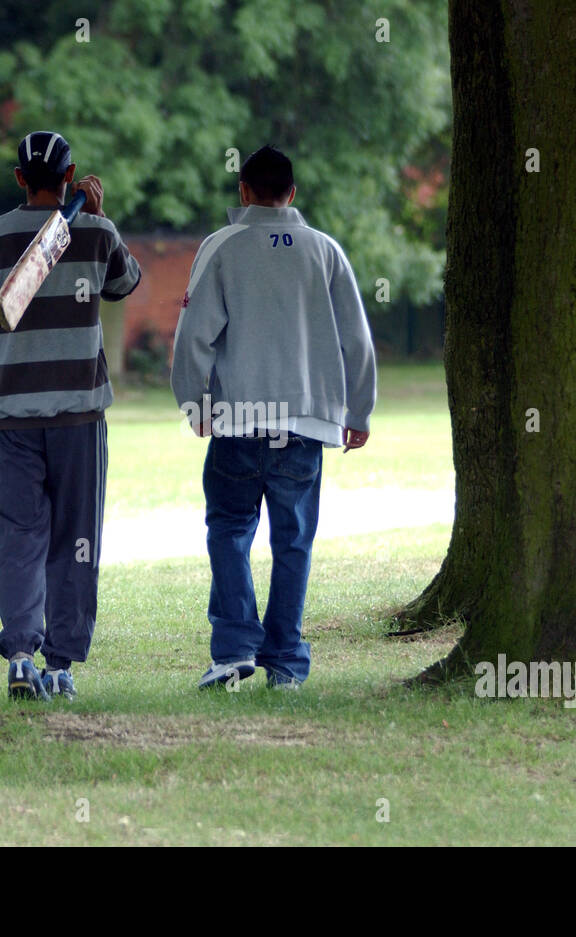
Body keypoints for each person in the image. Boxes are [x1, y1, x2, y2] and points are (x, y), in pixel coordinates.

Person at [0, 131, 141, 701]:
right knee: (76, 540)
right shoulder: (95, 234)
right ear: (71, 173)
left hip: (12, 420)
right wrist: (100, 217)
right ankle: (61, 665)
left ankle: (22, 657)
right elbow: (127, 284)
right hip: (80, 419)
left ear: (19, 177)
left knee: (19, 538)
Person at [170, 145, 377, 691]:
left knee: (230, 531)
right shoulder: (324, 251)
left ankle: (234, 648)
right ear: (293, 192)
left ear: (243, 190)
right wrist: (358, 410)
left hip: (238, 420)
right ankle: (285, 661)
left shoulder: (222, 246)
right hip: (305, 424)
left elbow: (194, 337)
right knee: (293, 540)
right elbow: (356, 338)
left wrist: (195, 403)